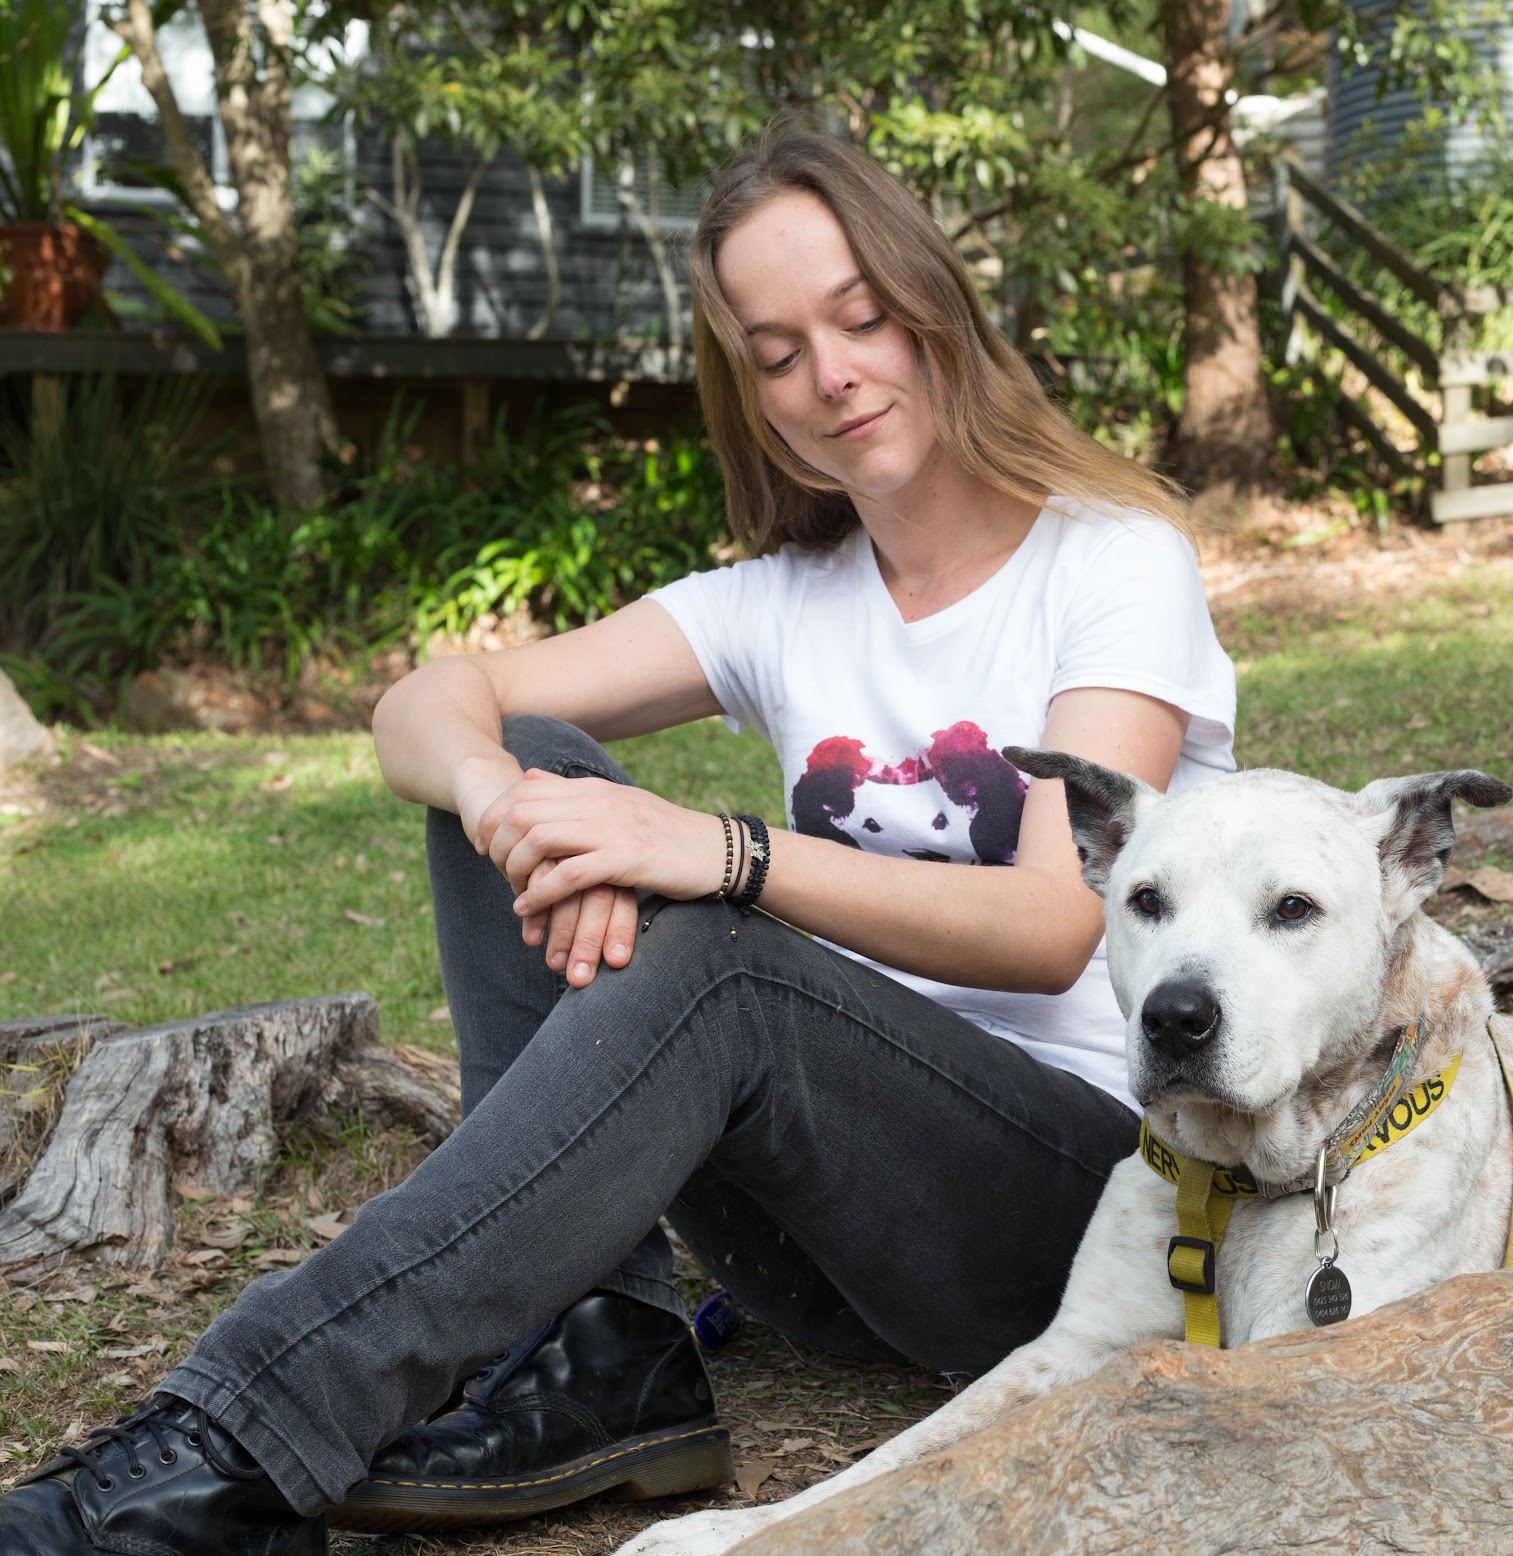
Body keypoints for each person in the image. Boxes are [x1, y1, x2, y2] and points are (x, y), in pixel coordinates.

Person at [0, 125, 1236, 1555]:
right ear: (746, 391)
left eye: (859, 316)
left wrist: (727, 852)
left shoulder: (1109, 562)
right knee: (527, 759)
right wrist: (499, 803)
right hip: (823, 1248)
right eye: (774, 353)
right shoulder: (785, 599)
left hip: (1076, 1208)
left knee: (722, 952)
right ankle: (602, 1353)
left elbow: (1049, 929)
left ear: (932, 304)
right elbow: (424, 702)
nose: (828, 375)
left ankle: (234, 1438)